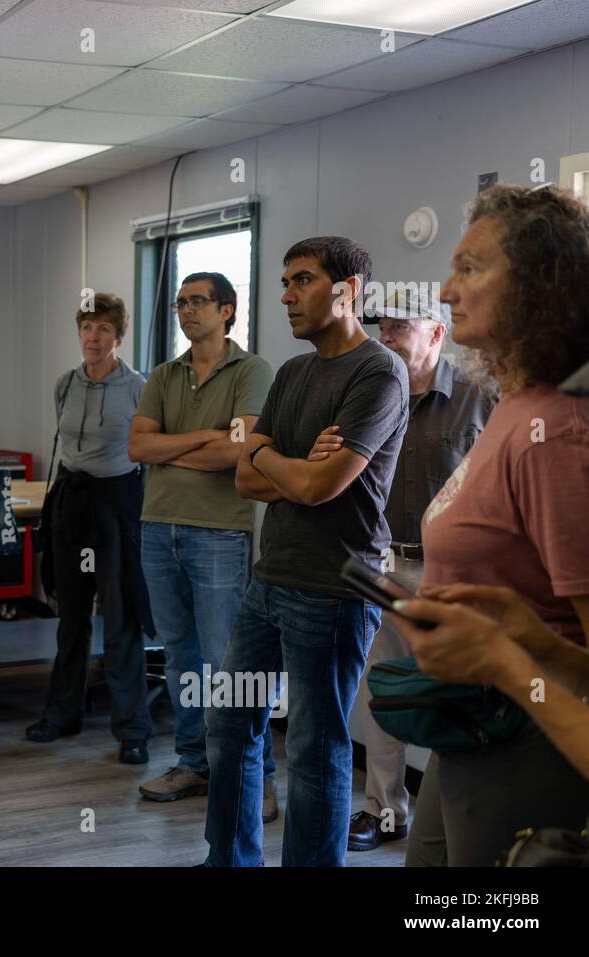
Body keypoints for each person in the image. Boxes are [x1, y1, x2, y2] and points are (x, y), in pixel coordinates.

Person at [394, 184, 589, 867]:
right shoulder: (515, 403)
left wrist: (514, 657)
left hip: (532, 728)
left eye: (471, 268)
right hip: (472, 717)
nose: (447, 290)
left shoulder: (555, 432)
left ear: (540, 285)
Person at [206, 236, 408, 867]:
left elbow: (321, 487)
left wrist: (265, 452)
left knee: (315, 752)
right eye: (285, 283)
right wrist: (283, 462)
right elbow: (247, 480)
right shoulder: (293, 372)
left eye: (303, 280)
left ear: (347, 290)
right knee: (229, 726)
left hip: (335, 588)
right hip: (271, 579)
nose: (287, 296)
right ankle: (228, 860)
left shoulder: (380, 372)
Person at [346, 287, 495, 853]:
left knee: (451, 695)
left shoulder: (481, 396)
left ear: (436, 333)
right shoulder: (372, 393)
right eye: (381, 327)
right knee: (384, 692)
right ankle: (383, 810)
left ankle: (448, 820)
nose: (385, 337)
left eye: (399, 327)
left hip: (455, 573)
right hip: (382, 564)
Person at [128, 273, 276, 812]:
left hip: (219, 532)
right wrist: (205, 438)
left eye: (198, 302)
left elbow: (239, 451)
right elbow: (137, 447)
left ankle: (255, 775)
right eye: (180, 303)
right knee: (179, 657)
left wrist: (171, 448)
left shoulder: (252, 370)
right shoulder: (164, 375)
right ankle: (193, 763)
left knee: (227, 661)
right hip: (157, 527)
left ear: (226, 310)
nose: (187, 311)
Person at [28, 293, 152, 764]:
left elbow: (145, 453)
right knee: (72, 617)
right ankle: (63, 713)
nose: (93, 337)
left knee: (120, 621)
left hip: (115, 508)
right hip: (72, 505)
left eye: (103, 329)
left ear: (118, 337)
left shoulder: (137, 388)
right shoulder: (65, 384)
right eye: (86, 327)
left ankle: (133, 729)